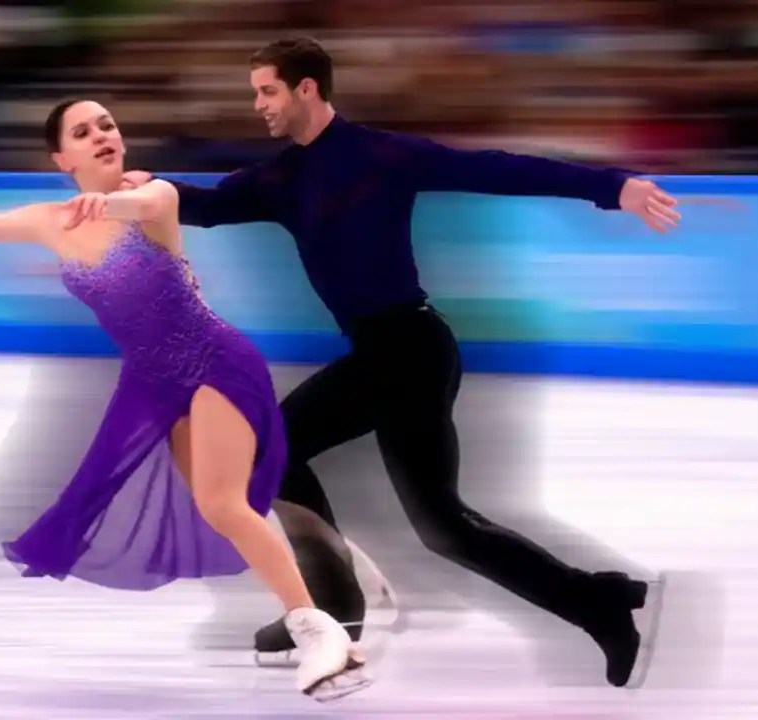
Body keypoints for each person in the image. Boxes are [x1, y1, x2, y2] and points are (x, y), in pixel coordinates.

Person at [114, 37, 681, 689]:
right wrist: (150, 190)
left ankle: (338, 608)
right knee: (445, 527)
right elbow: (209, 206)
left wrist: (614, 187)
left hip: (409, 350)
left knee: (277, 452)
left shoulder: (381, 155)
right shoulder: (282, 178)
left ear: (307, 89)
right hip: (390, 354)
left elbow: (497, 169)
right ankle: (597, 601)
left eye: (268, 91)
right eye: (255, 93)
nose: (258, 105)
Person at [0, 98, 371, 702]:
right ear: (62, 157)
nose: (102, 136)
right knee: (235, 495)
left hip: (213, 361)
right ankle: (341, 562)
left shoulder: (155, 195)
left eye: (108, 125)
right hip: (154, 380)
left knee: (224, 503)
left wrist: (106, 201)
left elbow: (141, 205)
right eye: (83, 132)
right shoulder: (49, 219)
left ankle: (317, 631)